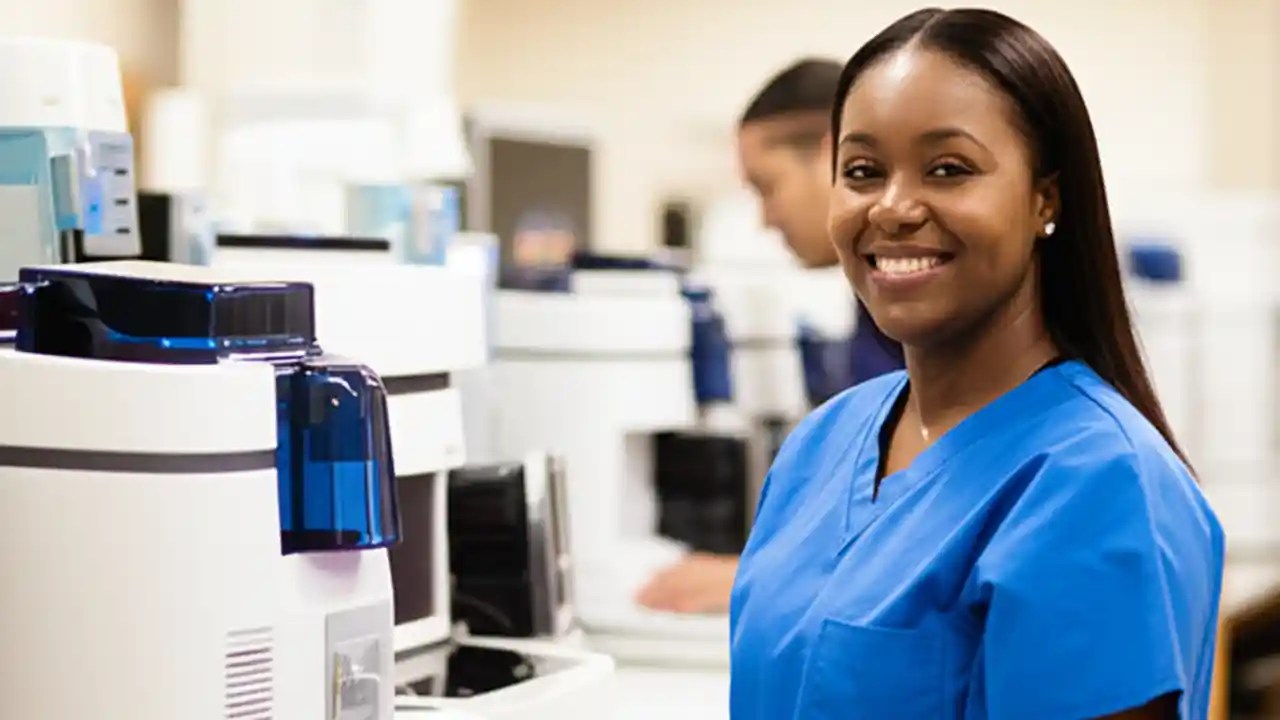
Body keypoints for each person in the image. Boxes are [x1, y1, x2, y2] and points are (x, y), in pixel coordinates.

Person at [729, 8, 1223, 720]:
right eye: (862, 171)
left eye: (948, 169)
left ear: (1043, 198)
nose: (893, 207)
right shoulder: (819, 446)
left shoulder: (1101, 487)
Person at [636, 59, 907, 615]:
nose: (764, 219)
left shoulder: (912, 307)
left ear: (840, 154)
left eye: (768, 187)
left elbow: (926, 514)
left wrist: (764, 575)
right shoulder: (873, 304)